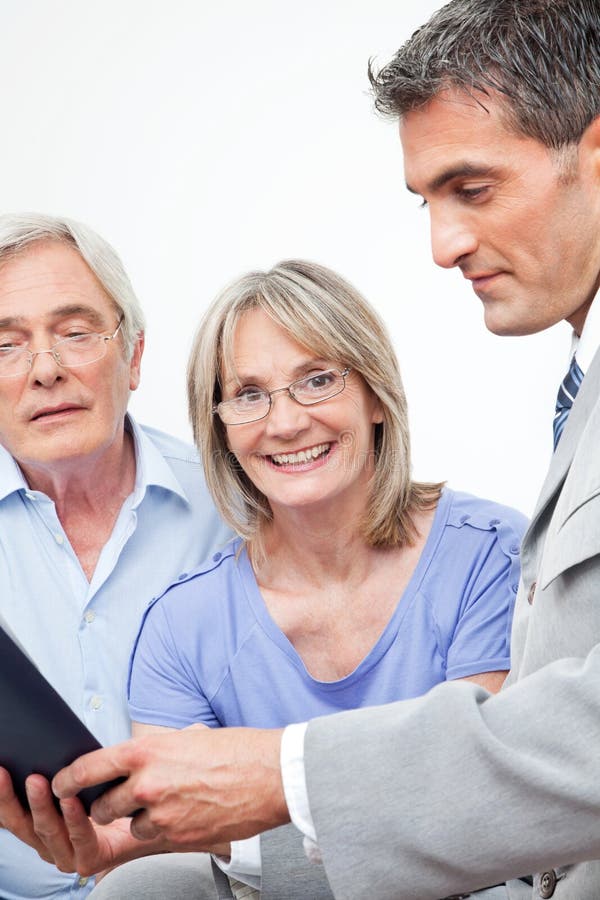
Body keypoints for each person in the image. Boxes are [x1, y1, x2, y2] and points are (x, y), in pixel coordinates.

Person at [4, 0, 600, 897]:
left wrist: (281, 777)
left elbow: (504, 810)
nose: (443, 246)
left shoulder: (481, 548)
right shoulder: (190, 611)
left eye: (471, 189)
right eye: (247, 395)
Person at [100, 258, 522, 897]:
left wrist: (260, 831)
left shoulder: (490, 556)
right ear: (219, 427)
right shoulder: (183, 622)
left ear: (376, 395)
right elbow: (182, 828)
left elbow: (474, 807)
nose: (286, 421)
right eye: (248, 395)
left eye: (317, 380)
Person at [0, 213, 231, 900]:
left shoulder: (238, 507)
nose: (45, 370)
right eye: (5, 346)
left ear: (132, 356)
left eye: (74, 333)